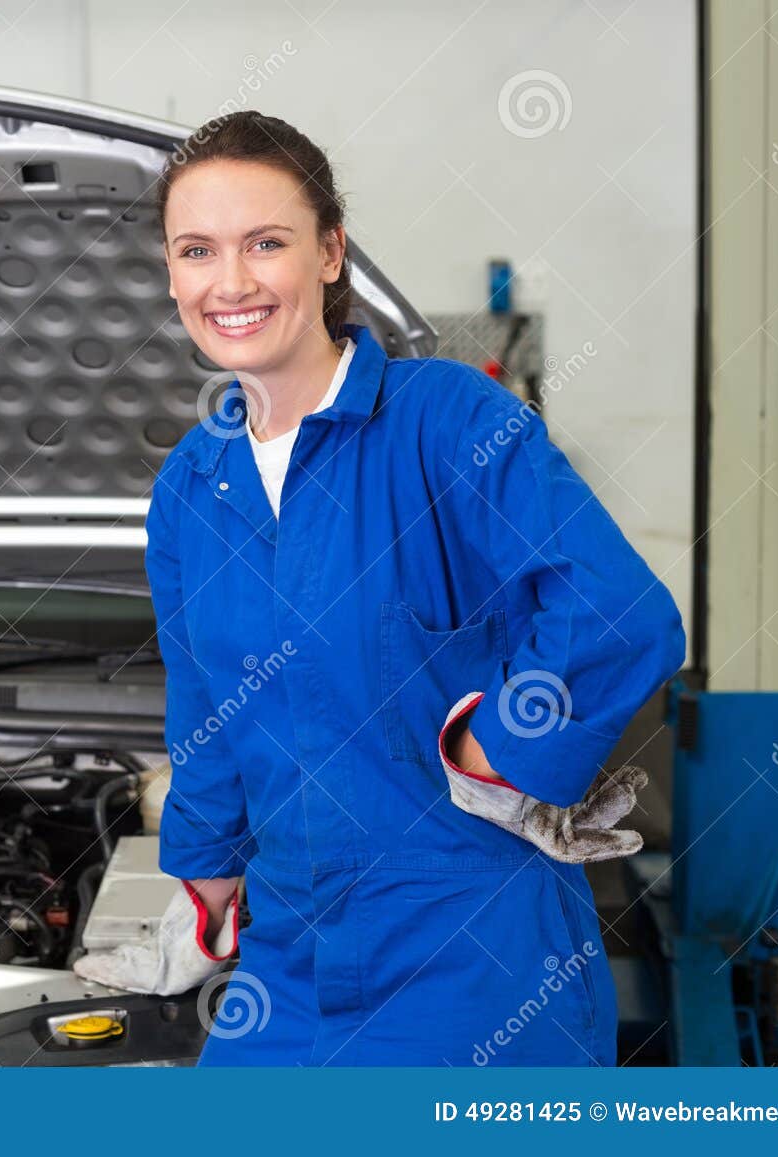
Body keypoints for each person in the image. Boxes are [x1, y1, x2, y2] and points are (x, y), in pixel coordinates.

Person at [72, 111, 686, 1066]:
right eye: (198, 250)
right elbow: (206, 707)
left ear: (329, 252)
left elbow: (618, 612)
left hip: (474, 950)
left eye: (265, 243)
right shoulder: (193, 486)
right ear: (170, 272)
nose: (229, 282)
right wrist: (203, 889)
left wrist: (503, 754)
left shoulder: (445, 419)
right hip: (287, 954)